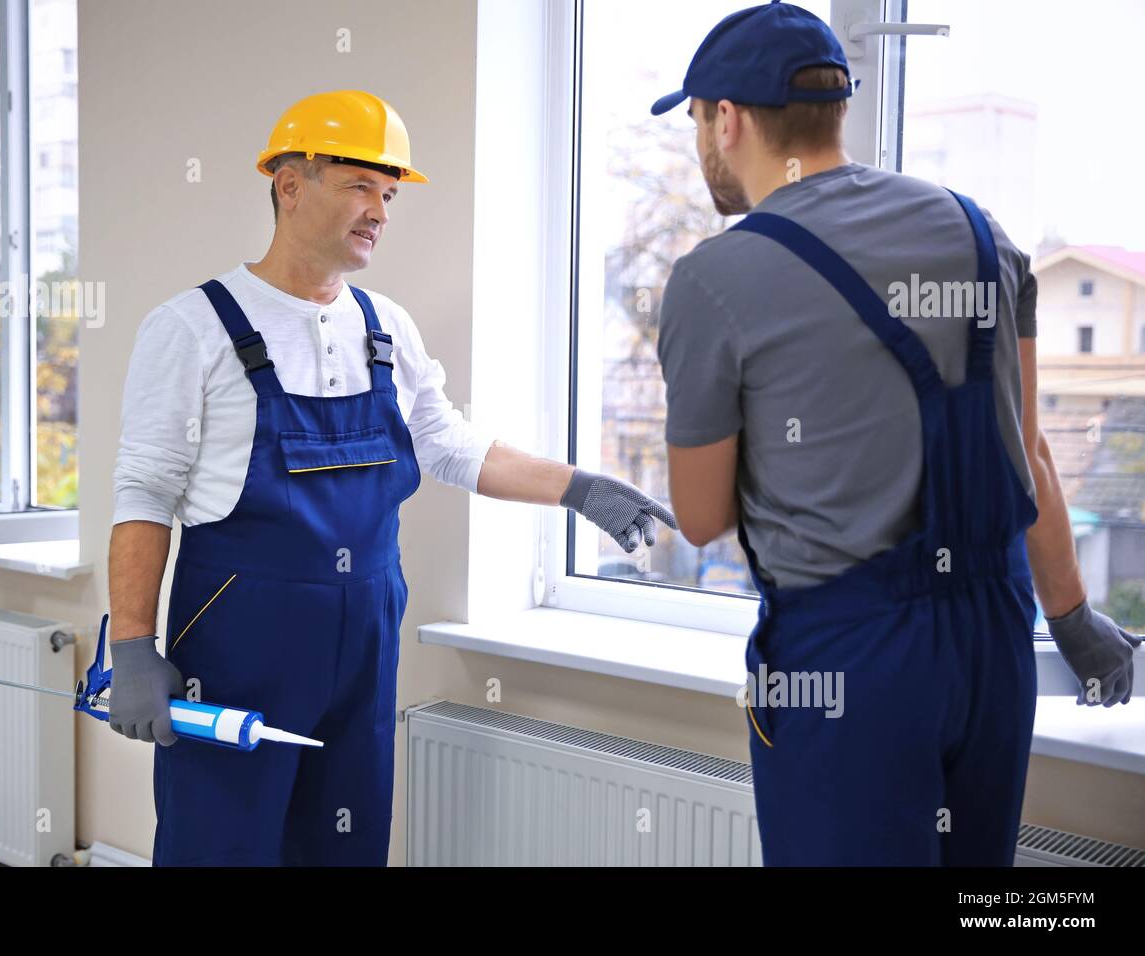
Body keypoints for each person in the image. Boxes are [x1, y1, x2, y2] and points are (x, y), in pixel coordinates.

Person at [106, 89, 676, 866]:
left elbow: (450, 445)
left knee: (346, 842)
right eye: (359, 186)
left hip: (364, 643)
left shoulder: (384, 327)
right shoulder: (192, 326)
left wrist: (578, 488)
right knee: (222, 845)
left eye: (389, 193)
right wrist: (136, 648)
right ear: (290, 183)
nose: (379, 210)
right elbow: (145, 491)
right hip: (238, 643)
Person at [653, 1, 1139, 865]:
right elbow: (1025, 453)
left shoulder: (714, 277)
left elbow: (700, 518)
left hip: (846, 661)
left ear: (727, 120)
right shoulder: (982, 233)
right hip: (993, 644)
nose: (699, 145)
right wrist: (1071, 618)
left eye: (695, 121)